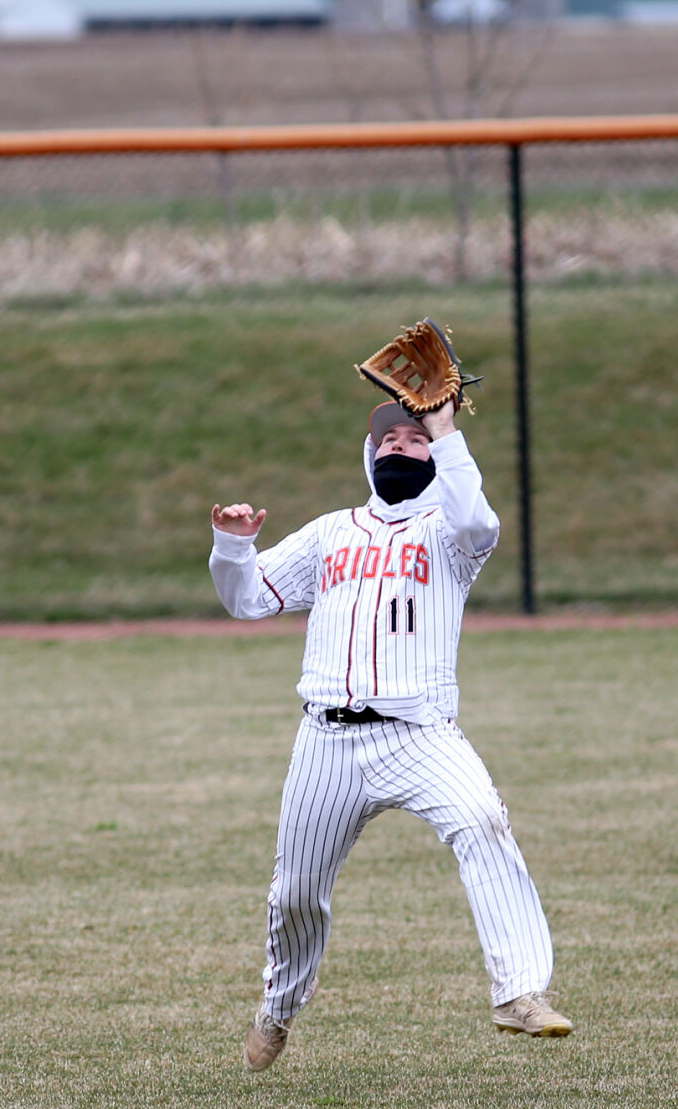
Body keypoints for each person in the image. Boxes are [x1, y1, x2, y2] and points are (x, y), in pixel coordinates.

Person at [209, 396, 571, 1073]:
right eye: (388, 438)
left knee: (481, 820)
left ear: (438, 451)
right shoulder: (329, 534)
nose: (400, 445)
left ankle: (519, 991)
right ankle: (278, 1010)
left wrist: (445, 429)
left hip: (420, 736)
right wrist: (233, 545)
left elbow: (475, 513)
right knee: (295, 893)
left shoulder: (451, 533)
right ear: (368, 454)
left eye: (415, 437)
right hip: (326, 742)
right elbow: (247, 598)